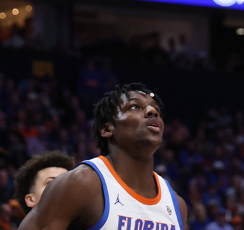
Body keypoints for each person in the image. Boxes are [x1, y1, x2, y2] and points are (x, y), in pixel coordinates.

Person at [18, 83, 188, 230]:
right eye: (135, 107)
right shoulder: (82, 184)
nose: (152, 111)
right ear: (107, 129)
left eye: (156, 109)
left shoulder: (176, 205)